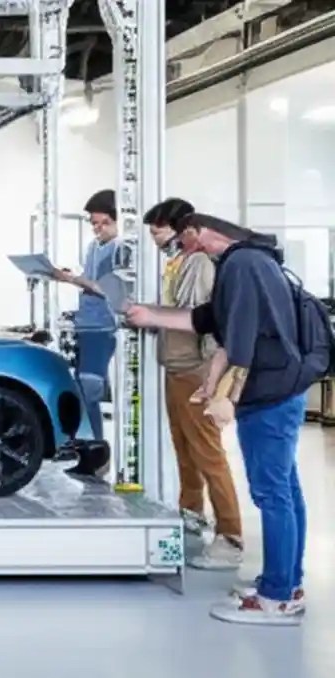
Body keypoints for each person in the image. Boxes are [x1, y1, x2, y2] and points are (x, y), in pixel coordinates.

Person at [125, 212, 316, 625]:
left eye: (184, 236)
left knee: (271, 493)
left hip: (268, 394)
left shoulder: (242, 264)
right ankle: (285, 583)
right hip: (281, 389)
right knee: (284, 489)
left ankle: (277, 598)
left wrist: (229, 394)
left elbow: (242, 333)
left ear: (200, 232)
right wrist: (152, 317)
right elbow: (209, 321)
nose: (180, 244)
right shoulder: (250, 262)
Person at [143, 198, 243, 570]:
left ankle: (230, 534)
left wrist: (150, 315)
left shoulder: (199, 263)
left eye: (160, 231)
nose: (157, 239)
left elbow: (196, 317)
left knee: (207, 452)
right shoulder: (176, 264)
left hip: (196, 370)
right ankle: (191, 512)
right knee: (183, 448)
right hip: (174, 367)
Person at [52, 189, 120, 440]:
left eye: (105, 223)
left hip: (103, 326)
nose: (98, 228)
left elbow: (108, 289)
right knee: (81, 385)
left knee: (91, 385)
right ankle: (85, 444)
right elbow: (91, 280)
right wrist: (73, 277)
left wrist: (75, 280)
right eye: (94, 223)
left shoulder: (120, 249)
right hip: (87, 324)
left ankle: (95, 447)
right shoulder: (93, 247)